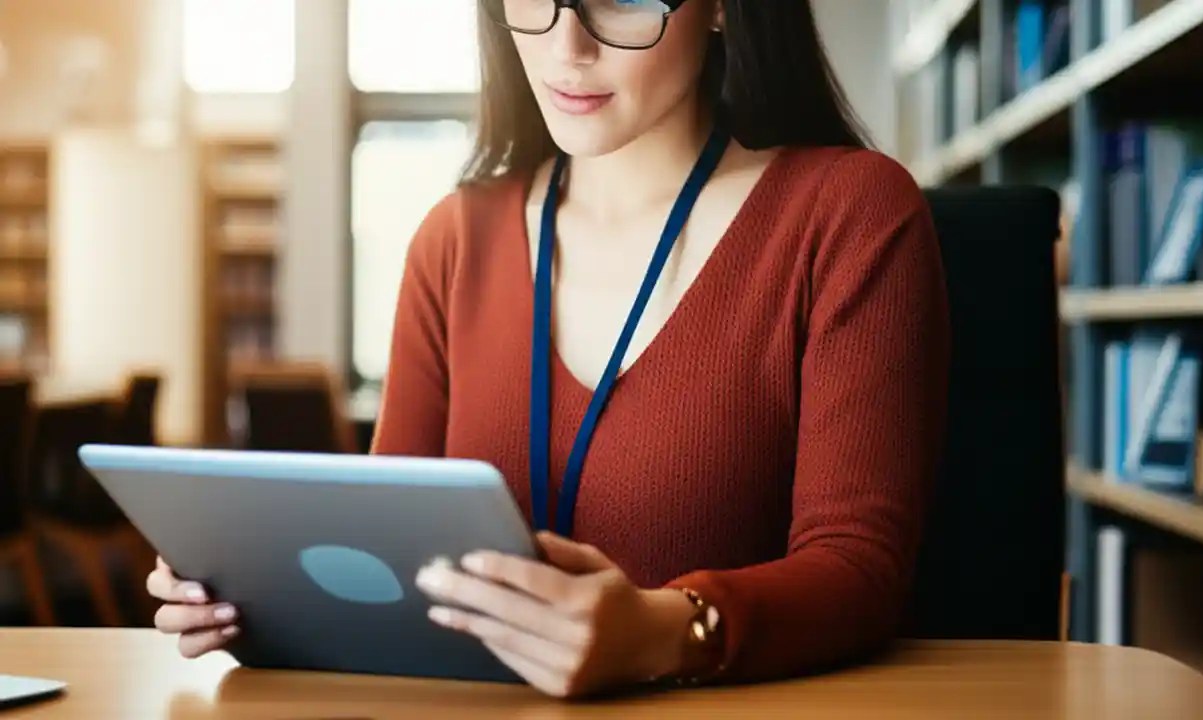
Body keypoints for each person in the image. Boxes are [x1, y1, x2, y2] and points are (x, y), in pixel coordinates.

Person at [146, 0, 951, 699]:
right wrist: (256, 595)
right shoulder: (454, 241)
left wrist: (663, 631)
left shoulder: (849, 213)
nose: (568, 45)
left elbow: (859, 568)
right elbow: (387, 547)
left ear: (719, 7)